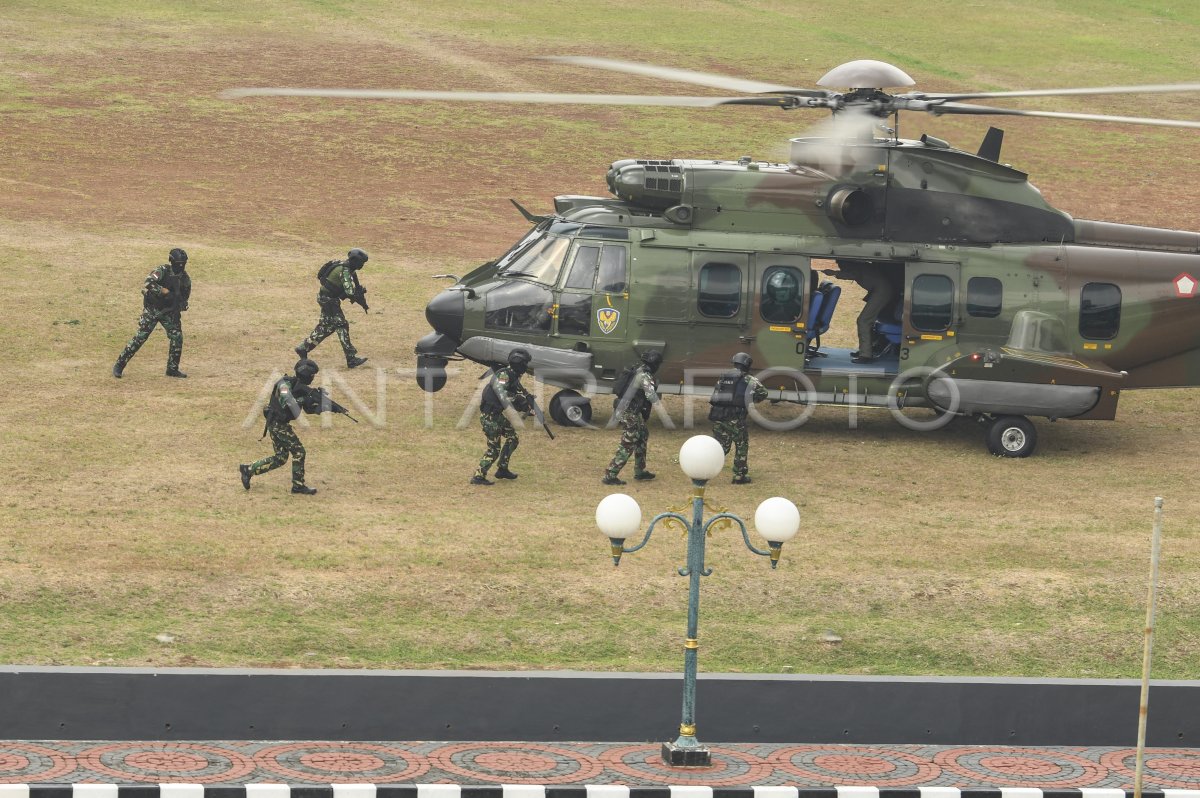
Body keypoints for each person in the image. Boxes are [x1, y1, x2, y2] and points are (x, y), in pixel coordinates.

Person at [239, 358, 333, 495]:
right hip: (277, 424)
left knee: (281, 458)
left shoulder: (297, 386)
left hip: (278, 423)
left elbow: (306, 408)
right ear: (305, 374)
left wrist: (322, 406)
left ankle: (248, 470)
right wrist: (306, 399)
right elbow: (287, 403)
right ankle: (298, 486)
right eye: (312, 375)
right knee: (299, 452)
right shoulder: (284, 385)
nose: (313, 378)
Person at [112, 248, 191, 378]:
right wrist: (163, 292)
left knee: (177, 338)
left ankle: (172, 369)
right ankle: (119, 364)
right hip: (152, 309)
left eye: (183, 263)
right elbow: (148, 282)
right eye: (178, 263)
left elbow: (184, 298)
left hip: (169, 312)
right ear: (172, 261)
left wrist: (177, 305)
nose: (180, 266)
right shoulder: (163, 270)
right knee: (140, 337)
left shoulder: (185, 279)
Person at [295, 248, 370, 368]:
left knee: (326, 328)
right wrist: (358, 294)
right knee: (342, 325)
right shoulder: (345, 271)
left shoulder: (345, 267)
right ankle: (351, 358)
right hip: (329, 300)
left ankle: (303, 348)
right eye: (361, 262)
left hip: (326, 298)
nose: (362, 265)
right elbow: (350, 291)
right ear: (355, 261)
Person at [471, 349, 535, 485]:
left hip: (496, 416)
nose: (526, 367)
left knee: (513, 438)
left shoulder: (512, 376)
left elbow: (513, 398)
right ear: (520, 364)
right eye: (525, 363)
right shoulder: (504, 375)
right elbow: (503, 395)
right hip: (490, 418)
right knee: (494, 449)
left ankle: (502, 469)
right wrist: (521, 401)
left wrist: (526, 405)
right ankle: (478, 476)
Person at [602, 349, 662, 486]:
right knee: (629, 442)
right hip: (629, 412)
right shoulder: (644, 376)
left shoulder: (638, 369)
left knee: (642, 434)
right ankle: (610, 474)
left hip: (630, 410)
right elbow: (651, 396)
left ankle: (640, 471)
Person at [708, 352, 769, 484]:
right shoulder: (749, 379)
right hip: (736, 418)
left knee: (720, 447)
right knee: (741, 445)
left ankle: (703, 470)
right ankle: (739, 475)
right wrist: (750, 399)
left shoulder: (724, 376)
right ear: (747, 364)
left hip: (719, 415)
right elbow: (764, 393)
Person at [823, 260, 896, 363]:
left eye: (840, 264)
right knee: (866, 321)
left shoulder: (856, 267)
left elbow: (852, 274)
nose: (840, 267)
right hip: (881, 290)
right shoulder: (860, 265)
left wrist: (834, 273)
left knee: (863, 321)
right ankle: (866, 350)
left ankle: (865, 355)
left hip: (881, 292)